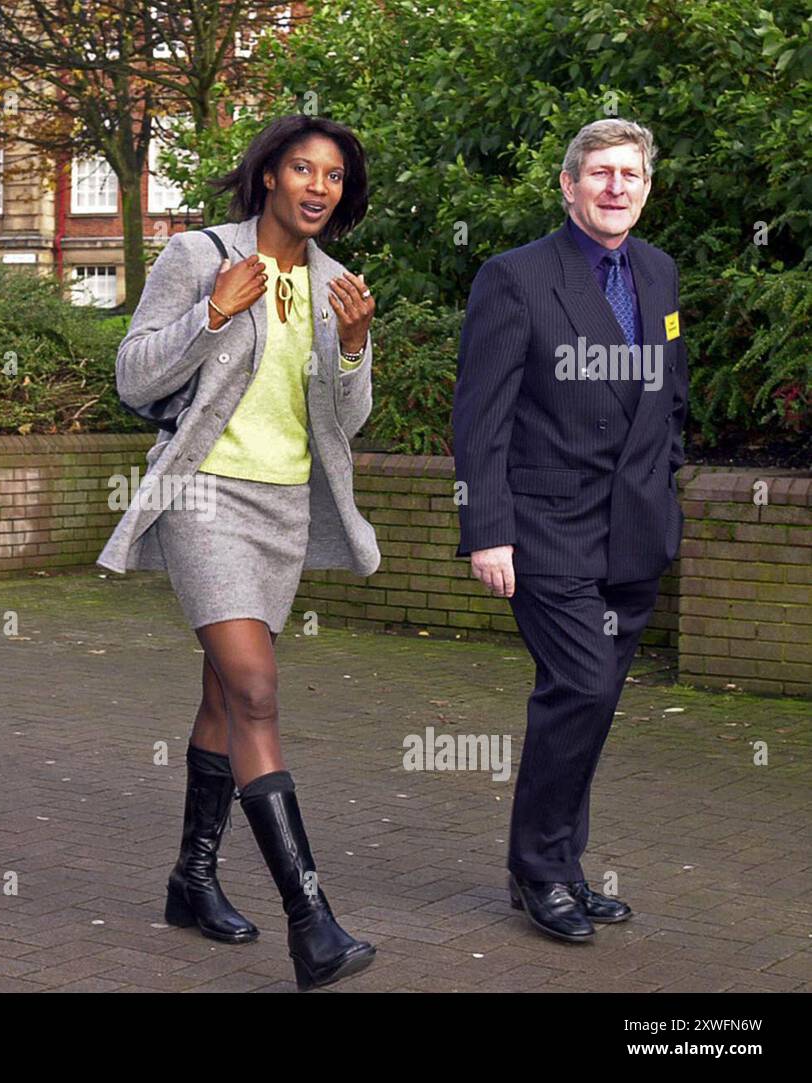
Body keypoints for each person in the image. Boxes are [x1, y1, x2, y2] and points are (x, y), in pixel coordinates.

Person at [97, 115, 381, 990]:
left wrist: (357, 348)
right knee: (256, 687)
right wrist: (213, 315)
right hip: (204, 495)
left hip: (284, 505)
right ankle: (313, 920)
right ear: (269, 176)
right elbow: (134, 374)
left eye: (333, 176)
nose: (318, 186)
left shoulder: (335, 282)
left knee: (225, 696)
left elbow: (346, 421)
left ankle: (192, 879)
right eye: (303, 167)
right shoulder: (199, 256)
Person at [451, 118, 689, 942]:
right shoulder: (515, 278)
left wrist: (667, 476)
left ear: (646, 187)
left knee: (590, 704)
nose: (617, 187)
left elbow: (670, 394)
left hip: (634, 532)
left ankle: (561, 863)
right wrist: (487, 530)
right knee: (581, 686)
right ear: (568, 185)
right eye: (600, 174)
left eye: (631, 174)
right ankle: (539, 869)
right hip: (545, 530)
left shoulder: (659, 273)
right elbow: (479, 418)